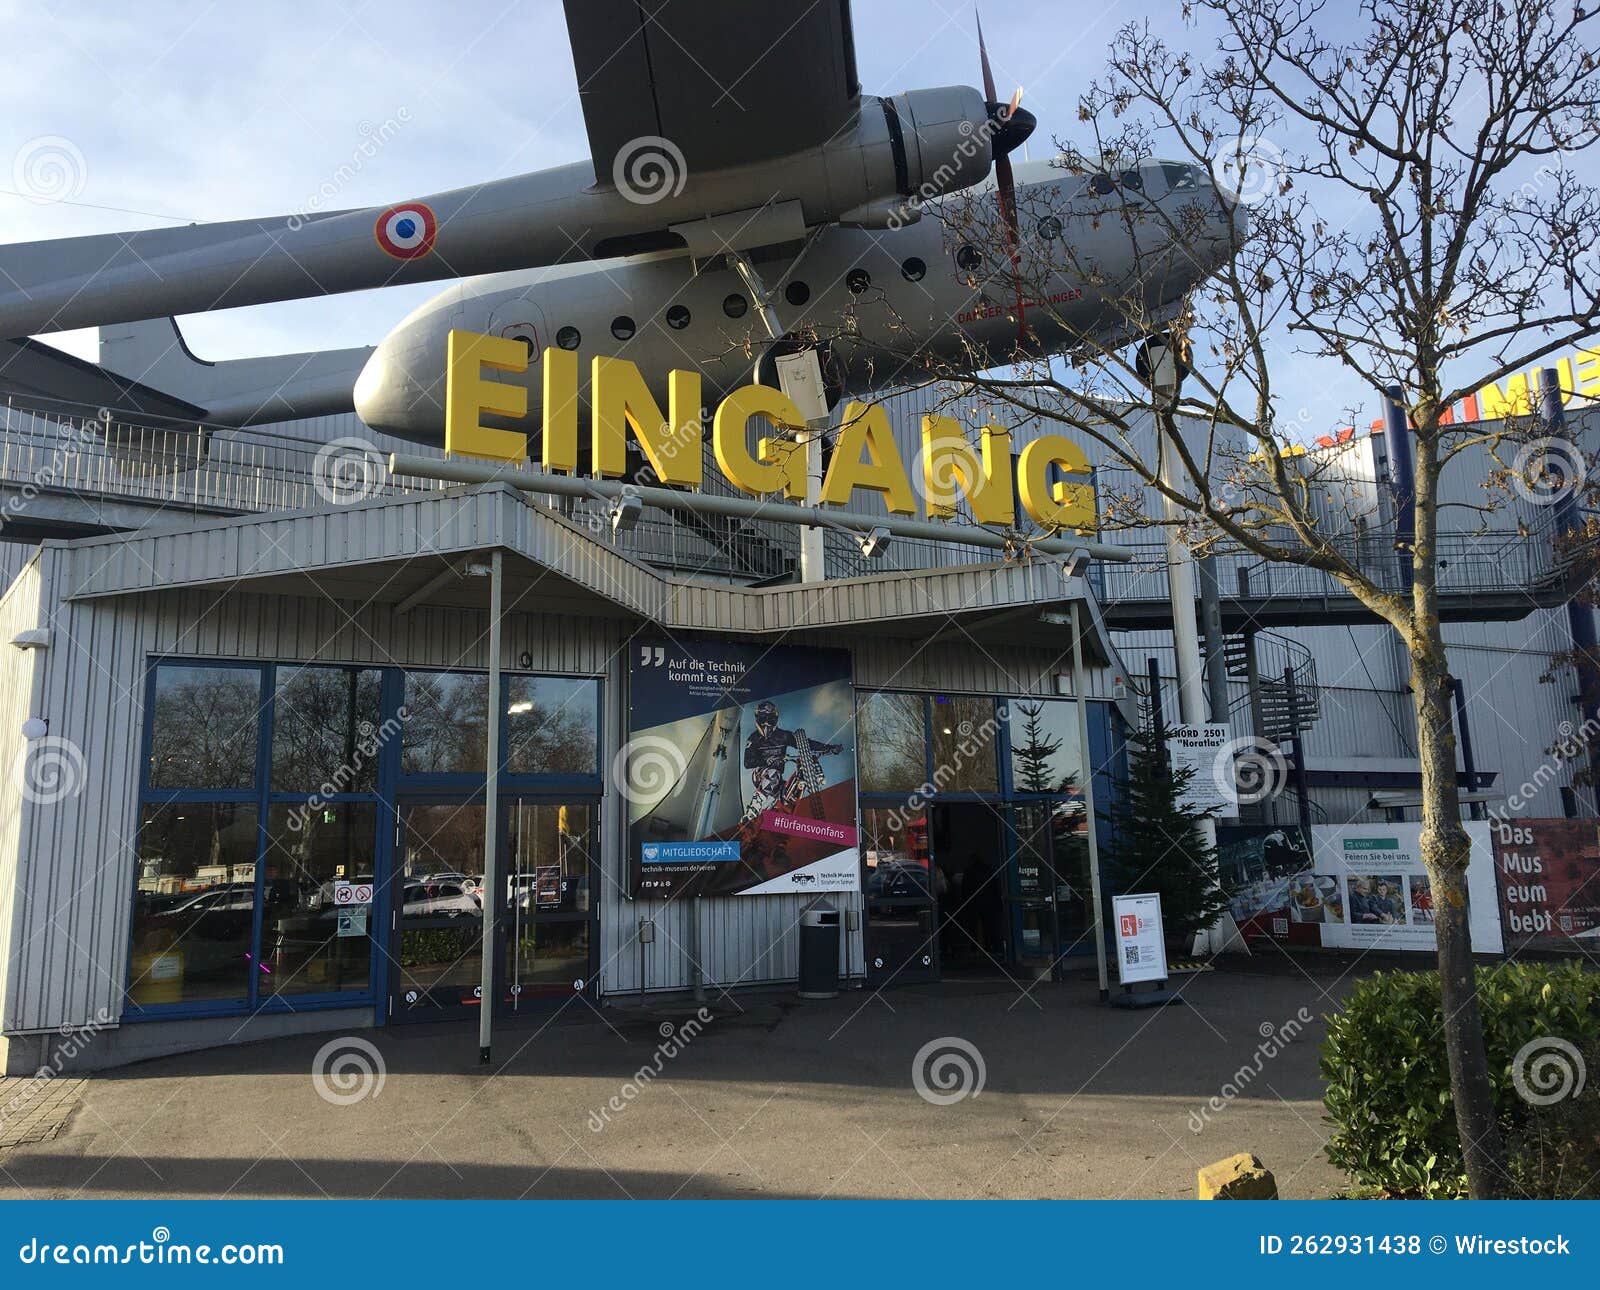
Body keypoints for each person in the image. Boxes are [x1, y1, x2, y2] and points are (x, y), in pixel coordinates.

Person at [743, 699, 843, 799]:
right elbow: (747, 763)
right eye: (762, 719)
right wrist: (765, 761)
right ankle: (754, 807)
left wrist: (828, 748)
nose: (767, 724)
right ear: (757, 720)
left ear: (775, 720)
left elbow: (806, 743)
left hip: (778, 779)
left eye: (770, 720)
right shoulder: (753, 739)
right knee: (773, 773)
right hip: (760, 775)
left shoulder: (783, 736)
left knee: (794, 794)